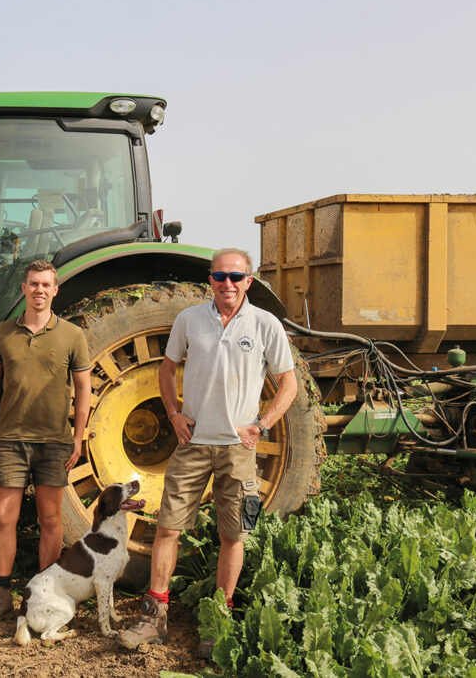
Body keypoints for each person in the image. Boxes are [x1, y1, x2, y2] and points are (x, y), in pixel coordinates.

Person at [118, 248, 298, 652]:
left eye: (236, 276)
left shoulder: (265, 324)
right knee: (167, 528)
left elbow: (288, 383)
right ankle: (153, 619)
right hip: (193, 443)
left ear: (249, 281)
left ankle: (217, 623)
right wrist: (173, 414)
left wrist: (262, 425)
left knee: (232, 534)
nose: (228, 283)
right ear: (210, 280)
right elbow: (167, 369)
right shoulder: (189, 319)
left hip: (237, 448)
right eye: (220, 276)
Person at [0, 259, 92, 628]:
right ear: (23, 288)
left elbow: (84, 389)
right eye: (33, 284)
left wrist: (78, 437)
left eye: (46, 285)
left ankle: (44, 595)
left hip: (54, 443)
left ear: (55, 290)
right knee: (4, 517)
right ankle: (2, 596)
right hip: (9, 440)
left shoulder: (72, 335)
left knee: (51, 519)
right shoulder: (2, 332)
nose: (39, 290)